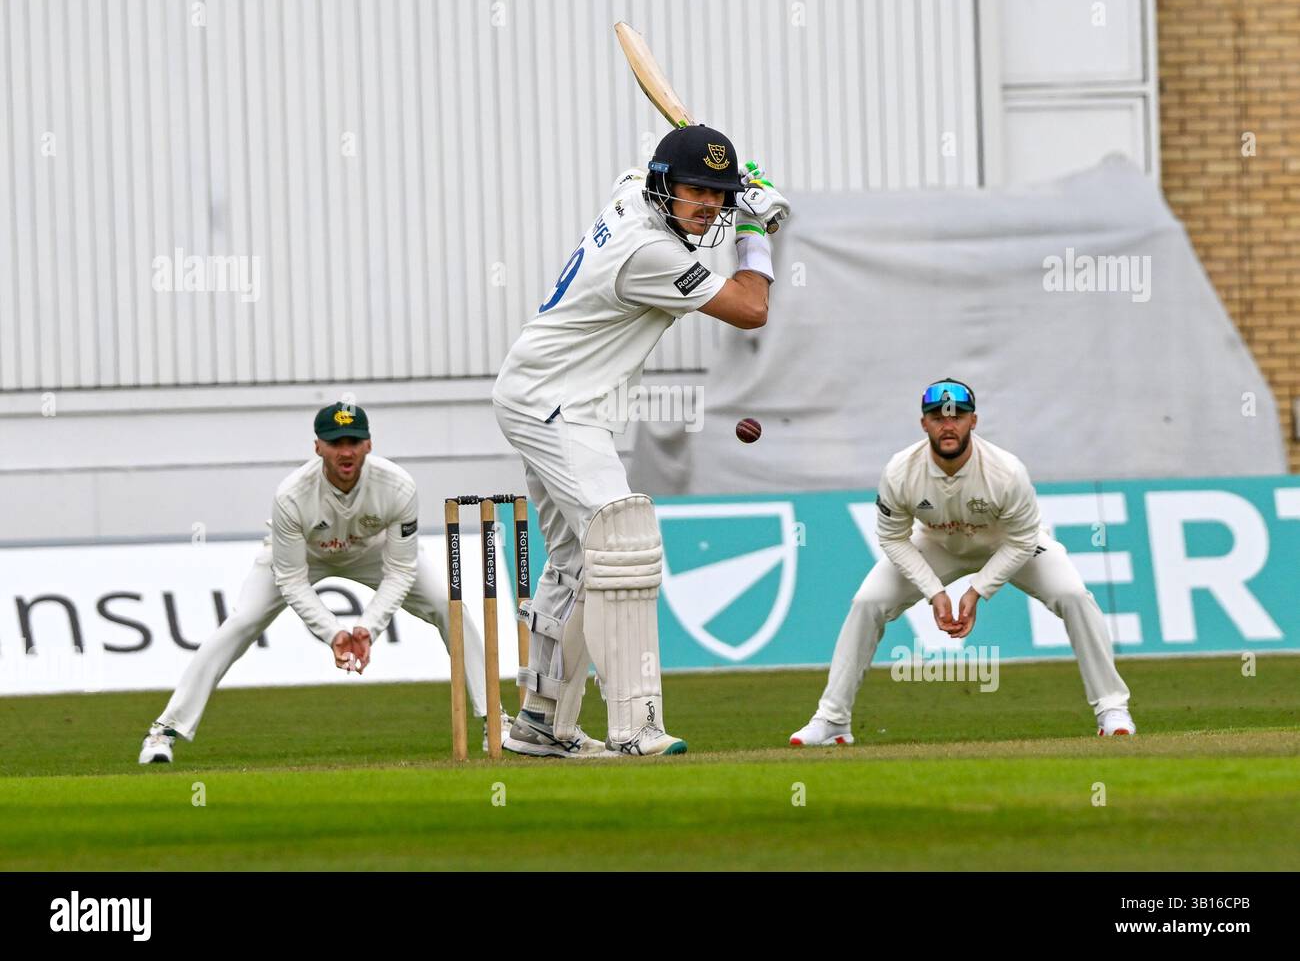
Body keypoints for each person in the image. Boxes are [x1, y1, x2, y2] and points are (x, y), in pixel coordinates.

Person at [492, 124, 791, 757]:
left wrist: (733, 191)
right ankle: (636, 725)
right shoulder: (646, 253)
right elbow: (750, 307)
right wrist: (754, 230)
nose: (706, 207)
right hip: (558, 403)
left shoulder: (631, 191)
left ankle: (540, 722)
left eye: (717, 195)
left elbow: (645, 174)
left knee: (577, 560)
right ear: (663, 187)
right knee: (623, 542)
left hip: (544, 394)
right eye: (695, 192)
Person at [138, 402, 509, 763]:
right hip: (304, 555)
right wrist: (333, 632)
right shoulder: (291, 496)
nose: (344, 452)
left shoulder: (398, 487)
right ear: (317, 446)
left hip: (371, 552)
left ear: (368, 444)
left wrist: (367, 628)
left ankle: (495, 720)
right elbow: (292, 579)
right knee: (242, 621)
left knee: (450, 608)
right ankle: (165, 730)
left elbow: (400, 570)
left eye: (353, 441)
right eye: (335, 443)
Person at [789, 378, 1136, 746]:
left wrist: (976, 592)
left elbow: (1021, 540)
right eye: (937, 416)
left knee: (1074, 595)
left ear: (974, 421)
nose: (948, 424)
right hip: (938, 542)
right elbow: (893, 537)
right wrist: (934, 592)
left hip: (1006, 543)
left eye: (957, 415)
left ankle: (1112, 709)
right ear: (924, 424)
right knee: (867, 603)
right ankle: (832, 720)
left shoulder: (1006, 471)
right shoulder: (900, 471)